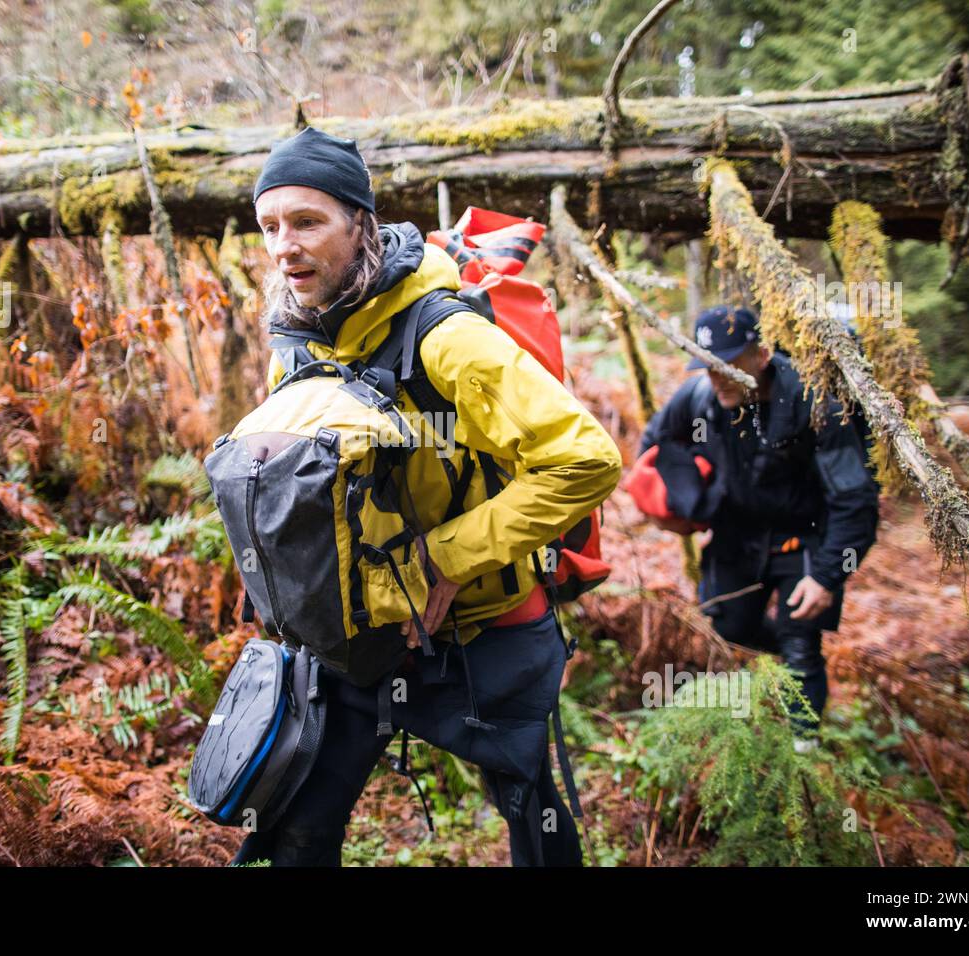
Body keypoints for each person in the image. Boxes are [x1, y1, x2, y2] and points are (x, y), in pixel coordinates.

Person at [229, 127, 623, 866]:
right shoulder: (303, 339)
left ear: (361, 225)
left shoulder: (443, 334)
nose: (284, 246)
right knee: (294, 822)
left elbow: (584, 460)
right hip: (359, 629)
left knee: (529, 805)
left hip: (482, 622)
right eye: (270, 226)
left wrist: (444, 561)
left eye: (308, 221)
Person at [639, 306, 880, 749]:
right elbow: (655, 443)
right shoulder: (699, 399)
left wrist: (828, 575)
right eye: (709, 366)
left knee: (800, 643)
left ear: (763, 354)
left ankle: (804, 755)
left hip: (804, 537)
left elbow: (854, 496)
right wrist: (681, 504)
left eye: (730, 363)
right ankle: (778, 675)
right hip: (735, 536)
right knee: (728, 625)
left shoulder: (815, 402)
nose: (718, 377)